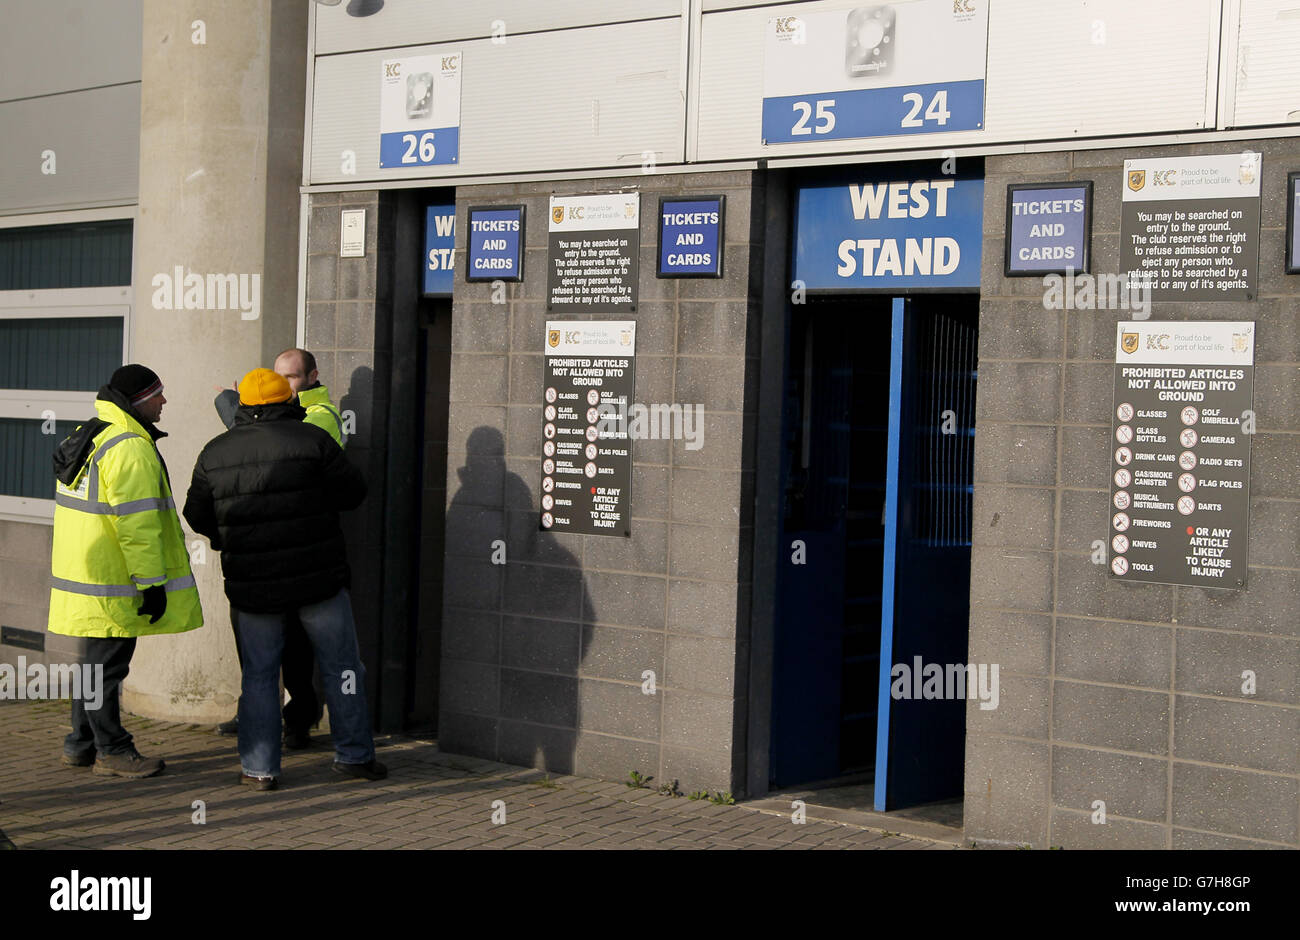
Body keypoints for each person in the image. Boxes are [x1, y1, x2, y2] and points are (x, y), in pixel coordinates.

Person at [183, 368, 383, 790]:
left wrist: (232, 542)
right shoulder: (314, 441)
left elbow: (197, 515)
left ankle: (259, 769)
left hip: (253, 585)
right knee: (343, 668)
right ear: (288, 401)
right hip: (319, 580)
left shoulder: (215, 451)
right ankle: (354, 757)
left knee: (258, 675)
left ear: (243, 407)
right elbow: (353, 493)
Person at [49, 365, 204, 778]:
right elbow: (138, 526)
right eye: (158, 395)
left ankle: (80, 744)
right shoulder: (130, 447)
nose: (164, 401)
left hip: (89, 578)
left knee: (93, 668)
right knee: (106, 671)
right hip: (116, 583)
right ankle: (113, 751)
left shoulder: (92, 434)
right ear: (138, 401)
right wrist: (152, 584)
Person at [210, 348, 343, 744]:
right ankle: (258, 714)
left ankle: (297, 722)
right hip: (271, 553)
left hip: (301, 552)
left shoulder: (317, 418)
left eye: (293, 378)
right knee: (261, 649)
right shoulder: (293, 417)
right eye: (278, 378)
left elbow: (273, 451)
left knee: (297, 649)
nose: (284, 387)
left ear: (312, 377)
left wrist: (234, 407)